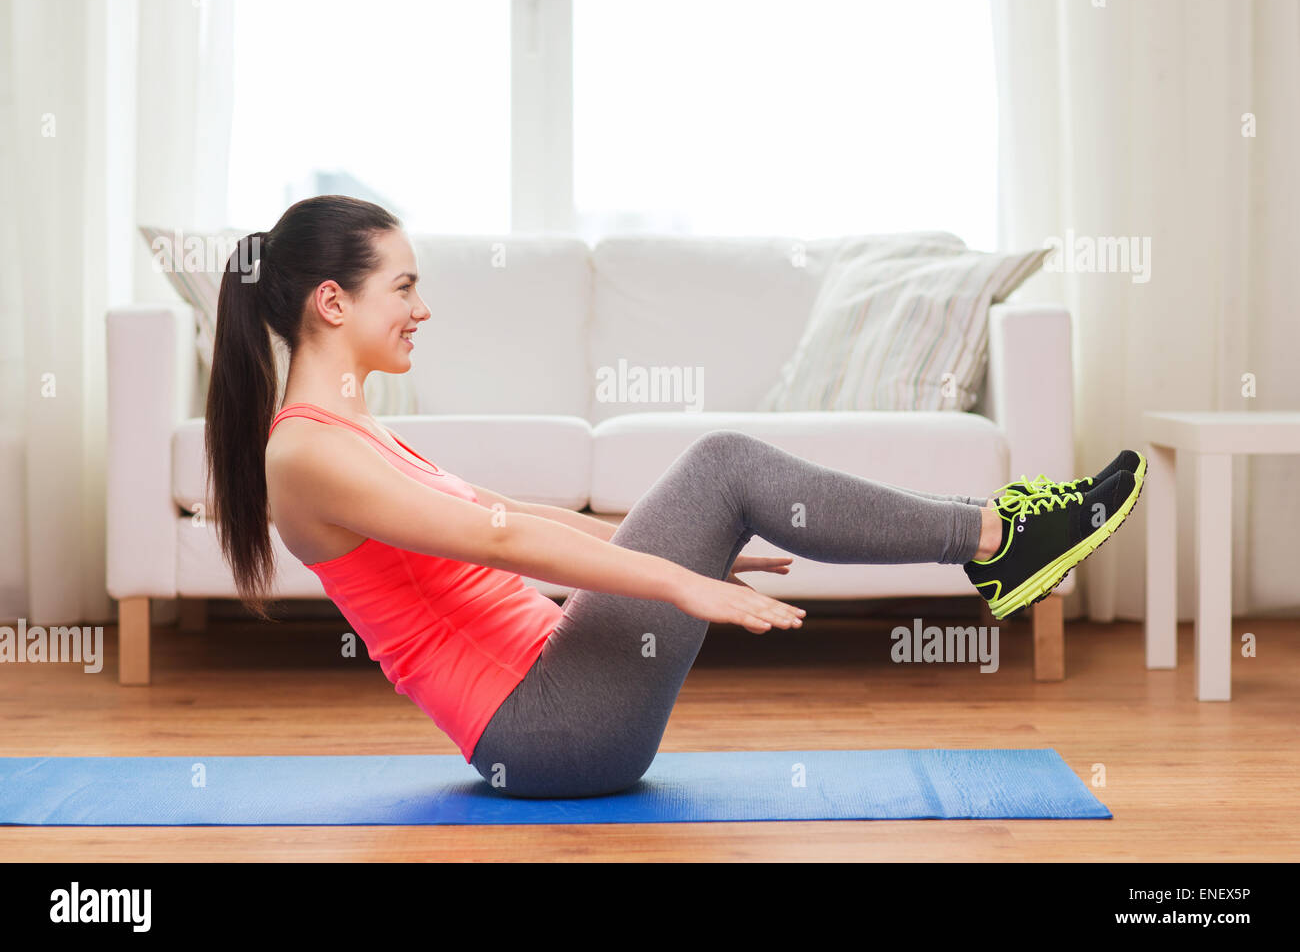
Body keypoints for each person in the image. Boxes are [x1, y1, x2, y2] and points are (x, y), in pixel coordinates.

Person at [206, 194, 1143, 799]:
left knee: (719, 473)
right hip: (547, 730)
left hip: (558, 691)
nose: (422, 307)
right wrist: (679, 583)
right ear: (333, 302)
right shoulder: (304, 454)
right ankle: (998, 540)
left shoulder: (354, 428)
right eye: (403, 286)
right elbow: (490, 540)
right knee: (724, 460)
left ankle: (996, 540)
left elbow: (521, 513)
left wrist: (678, 548)